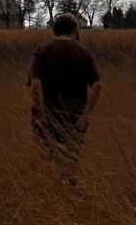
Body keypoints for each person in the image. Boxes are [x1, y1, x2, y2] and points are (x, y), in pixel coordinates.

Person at [28, 13, 102, 181]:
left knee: (44, 165)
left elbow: (35, 85)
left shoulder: (42, 51)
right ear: (75, 30)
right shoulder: (84, 52)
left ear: (55, 29)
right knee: (70, 166)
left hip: (47, 119)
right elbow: (98, 85)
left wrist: (41, 117)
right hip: (74, 120)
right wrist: (84, 117)